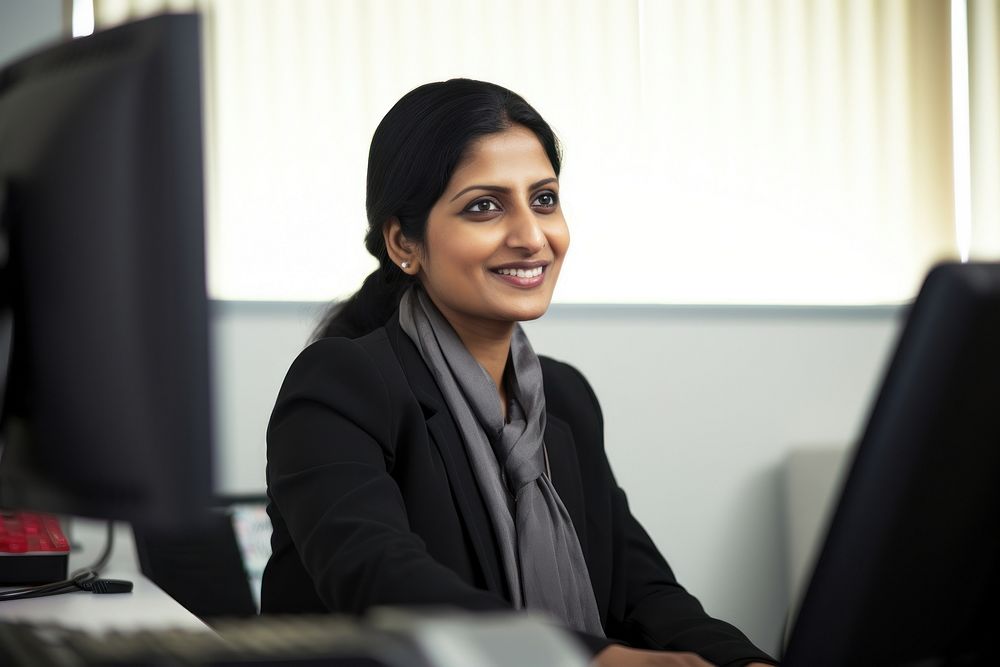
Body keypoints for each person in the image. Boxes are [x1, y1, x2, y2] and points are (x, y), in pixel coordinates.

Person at [261, 78, 777, 667]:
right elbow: (382, 582)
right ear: (405, 241)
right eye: (484, 206)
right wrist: (591, 658)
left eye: (544, 199)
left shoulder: (565, 397)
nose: (532, 238)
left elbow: (643, 592)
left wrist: (743, 660)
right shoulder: (341, 384)